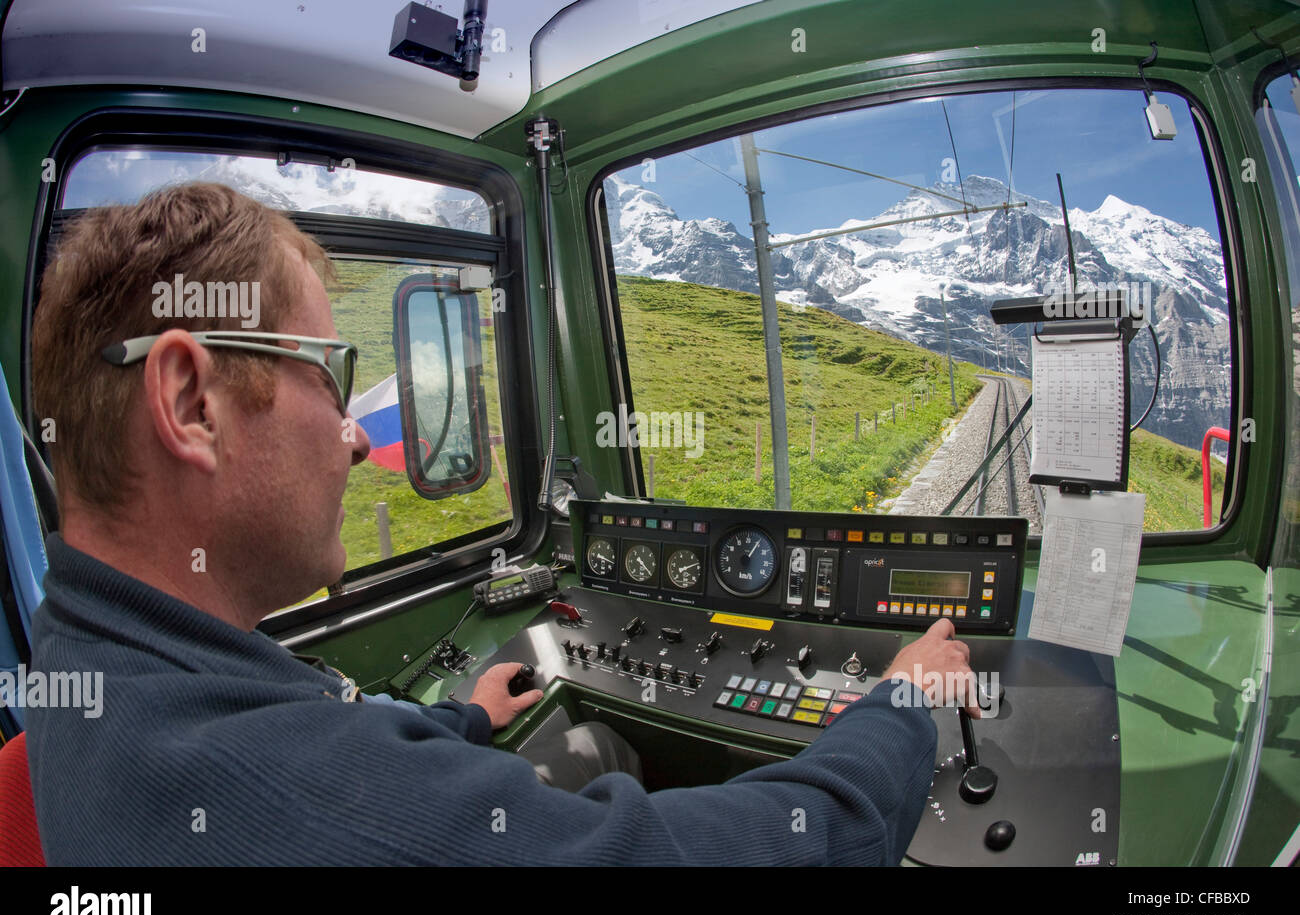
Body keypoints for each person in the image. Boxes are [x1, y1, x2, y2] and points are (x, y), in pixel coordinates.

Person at [24, 183, 979, 865]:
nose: (356, 439)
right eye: (330, 375)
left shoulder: (83, 658)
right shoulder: (296, 790)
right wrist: (898, 705)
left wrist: (460, 720)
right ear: (192, 401)